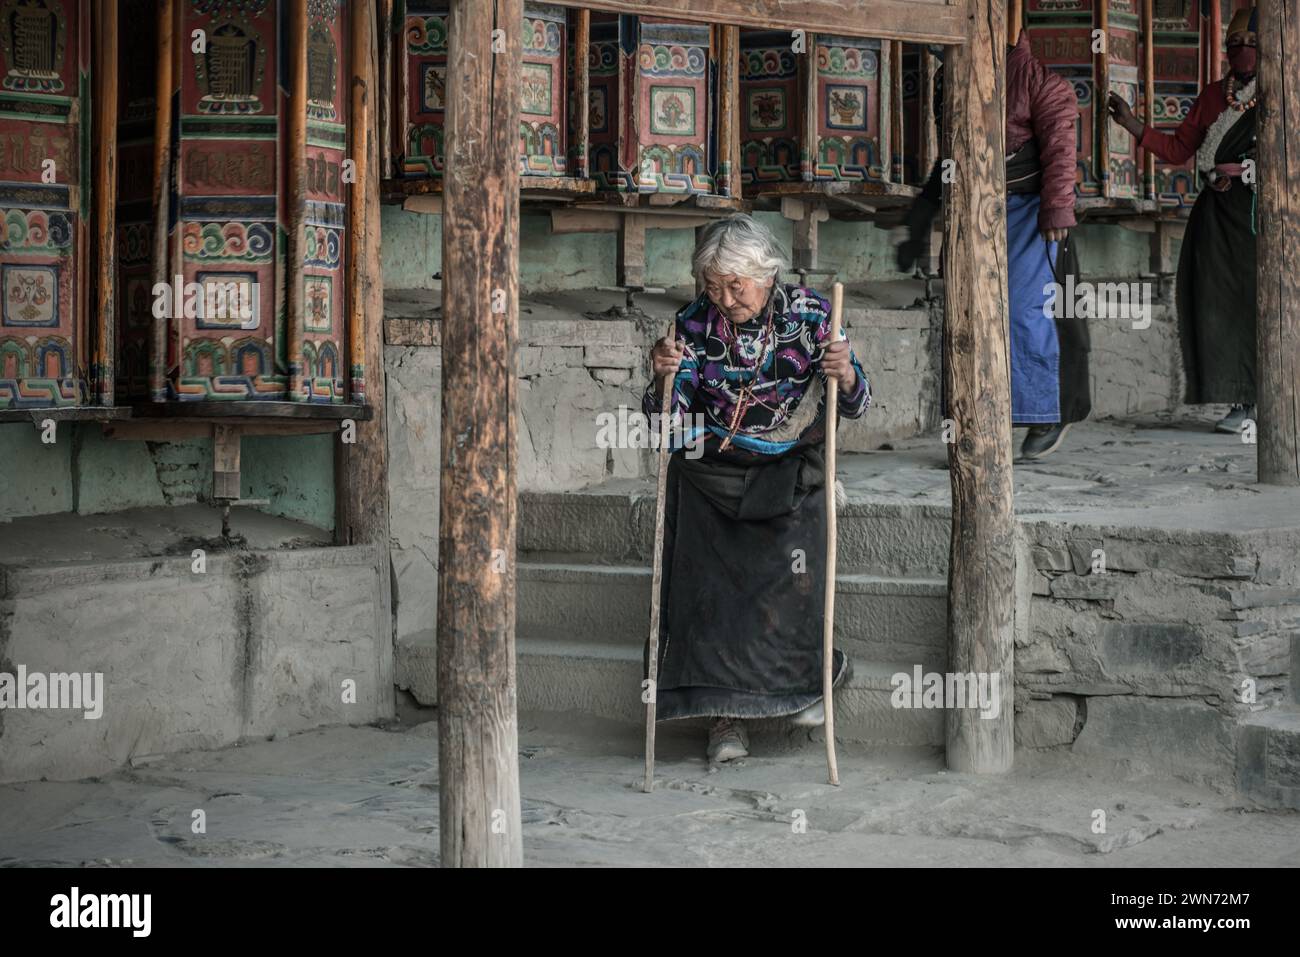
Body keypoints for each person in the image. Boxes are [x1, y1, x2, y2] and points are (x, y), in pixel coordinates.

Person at [641, 214, 870, 764]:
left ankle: (804, 684)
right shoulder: (693, 324)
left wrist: (847, 373)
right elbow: (664, 424)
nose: (724, 297)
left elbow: (858, 402)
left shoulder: (814, 316)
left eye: (735, 284)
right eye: (713, 285)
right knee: (707, 574)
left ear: (766, 275)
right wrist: (662, 377)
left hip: (788, 466)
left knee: (788, 559)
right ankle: (724, 721)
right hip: (715, 469)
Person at [897, 32, 1090, 459]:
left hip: (1029, 215)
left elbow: (1060, 150)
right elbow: (950, 155)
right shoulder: (948, 79)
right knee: (968, 312)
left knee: (1025, 311)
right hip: (971, 209)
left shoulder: (1040, 82)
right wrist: (921, 217)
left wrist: (1057, 210)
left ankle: (1045, 413)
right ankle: (972, 424)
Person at [1107, 6, 1258, 434]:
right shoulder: (1213, 96)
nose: (1241, 52)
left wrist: (1250, 171)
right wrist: (1132, 124)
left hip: (1259, 214)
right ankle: (1238, 398)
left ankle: (1267, 398)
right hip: (1215, 217)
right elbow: (1178, 151)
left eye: (1250, 46)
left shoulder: (1283, 92)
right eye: (1234, 46)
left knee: (1257, 303)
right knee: (1215, 303)